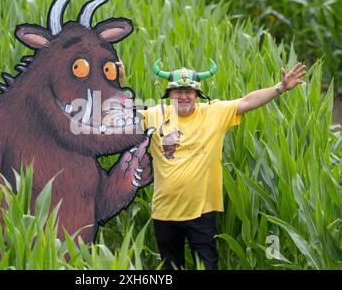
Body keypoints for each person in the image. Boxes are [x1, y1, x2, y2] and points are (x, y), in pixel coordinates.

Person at [117, 58, 307, 270]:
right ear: (169, 94)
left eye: (189, 91)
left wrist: (280, 87)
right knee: (169, 270)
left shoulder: (213, 113)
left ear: (197, 95)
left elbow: (246, 101)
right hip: (164, 213)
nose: (183, 96)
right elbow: (125, 114)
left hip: (202, 213)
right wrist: (119, 84)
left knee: (208, 266)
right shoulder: (155, 114)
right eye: (177, 91)